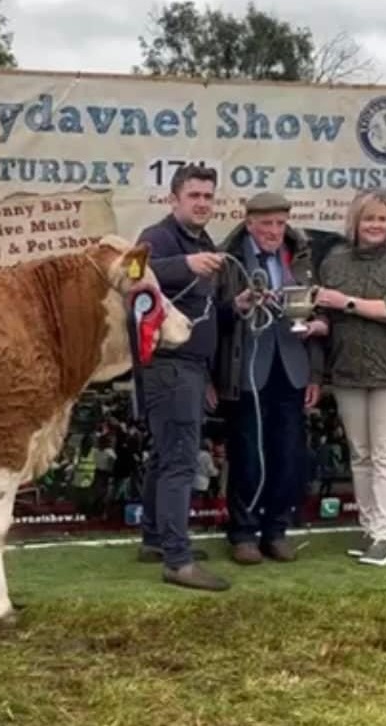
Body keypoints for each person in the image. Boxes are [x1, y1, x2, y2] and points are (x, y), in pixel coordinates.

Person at [212, 191, 324, 565]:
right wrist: (237, 307)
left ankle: (276, 531)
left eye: (280, 223)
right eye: (267, 224)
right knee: (247, 455)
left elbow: (317, 312)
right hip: (246, 369)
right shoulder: (228, 259)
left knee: (288, 455)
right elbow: (213, 320)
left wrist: (316, 373)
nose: (275, 231)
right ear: (249, 224)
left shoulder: (302, 257)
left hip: (291, 368)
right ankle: (243, 533)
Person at [135, 163, 230, 591]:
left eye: (208, 196)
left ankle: (156, 538)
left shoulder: (204, 240)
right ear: (173, 199)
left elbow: (203, 310)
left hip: (190, 367)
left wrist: (239, 304)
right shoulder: (158, 239)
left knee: (164, 455)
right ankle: (178, 559)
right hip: (168, 365)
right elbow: (134, 277)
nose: (202, 203)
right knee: (179, 460)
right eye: (194, 195)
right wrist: (185, 264)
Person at [312, 189, 386, 566]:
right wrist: (317, 324)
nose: (376, 225)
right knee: (360, 456)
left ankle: (385, 538)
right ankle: (370, 528)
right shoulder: (334, 263)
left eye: (382, 219)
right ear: (354, 223)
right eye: (368, 218)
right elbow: (327, 313)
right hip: (348, 372)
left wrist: (346, 303)